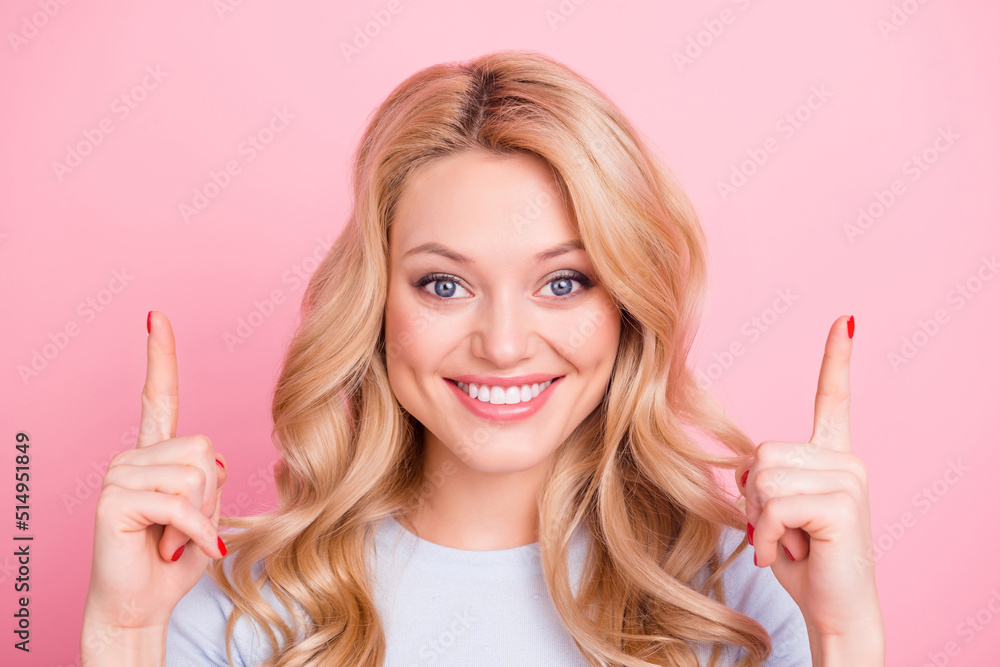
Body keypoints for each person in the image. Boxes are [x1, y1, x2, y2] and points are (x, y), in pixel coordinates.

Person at [80, 50, 885, 666]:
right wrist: (125, 633)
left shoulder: (744, 594)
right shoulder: (235, 607)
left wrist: (843, 631)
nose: (503, 344)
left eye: (564, 281)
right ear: (377, 307)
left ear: (625, 308)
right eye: (444, 283)